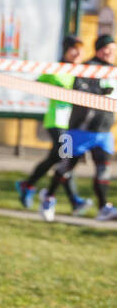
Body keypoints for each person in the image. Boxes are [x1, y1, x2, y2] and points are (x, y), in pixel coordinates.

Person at [39, 34, 116, 222]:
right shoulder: (86, 68)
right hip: (77, 131)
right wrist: (99, 93)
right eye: (106, 48)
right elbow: (78, 90)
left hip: (103, 132)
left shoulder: (114, 71)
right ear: (98, 49)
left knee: (103, 172)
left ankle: (103, 208)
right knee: (64, 167)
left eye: (113, 49)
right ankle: (48, 198)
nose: (109, 52)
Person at [15, 36, 84, 212]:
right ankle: (73, 199)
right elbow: (37, 83)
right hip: (57, 120)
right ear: (66, 51)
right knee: (65, 157)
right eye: (73, 49)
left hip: (73, 123)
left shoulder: (85, 71)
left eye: (80, 49)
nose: (77, 53)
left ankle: (27, 185)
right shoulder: (56, 70)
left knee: (56, 158)